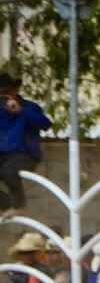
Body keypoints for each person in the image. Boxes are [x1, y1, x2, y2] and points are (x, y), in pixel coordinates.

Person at [0, 73, 51, 219]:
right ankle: (6, 205)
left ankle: (19, 205)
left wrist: (21, 111)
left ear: (14, 91)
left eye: (6, 93)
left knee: (8, 171)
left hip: (25, 155)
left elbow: (45, 124)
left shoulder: (30, 107)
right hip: (3, 154)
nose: (4, 98)